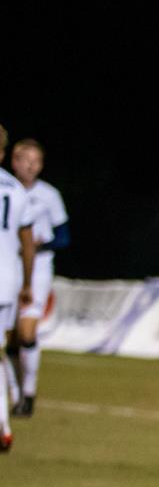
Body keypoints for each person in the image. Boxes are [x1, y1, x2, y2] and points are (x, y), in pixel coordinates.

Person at [6, 139, 66, 418]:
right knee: (11, 338)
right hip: (10, 268)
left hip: (38, 269)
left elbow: (63, 236)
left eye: (36, 161)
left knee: (27, 332)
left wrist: (39, 245)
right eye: (25, 160)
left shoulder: (49, 195)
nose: (30, 166)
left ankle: (28, 394)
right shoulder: (9, 190)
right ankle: (15, 395)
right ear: (14, 161)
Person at [0, 125, 37, 453]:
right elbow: (27, 243)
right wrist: (26, 283)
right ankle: (4, 424)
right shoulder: (17, 190)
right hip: (6, 280)